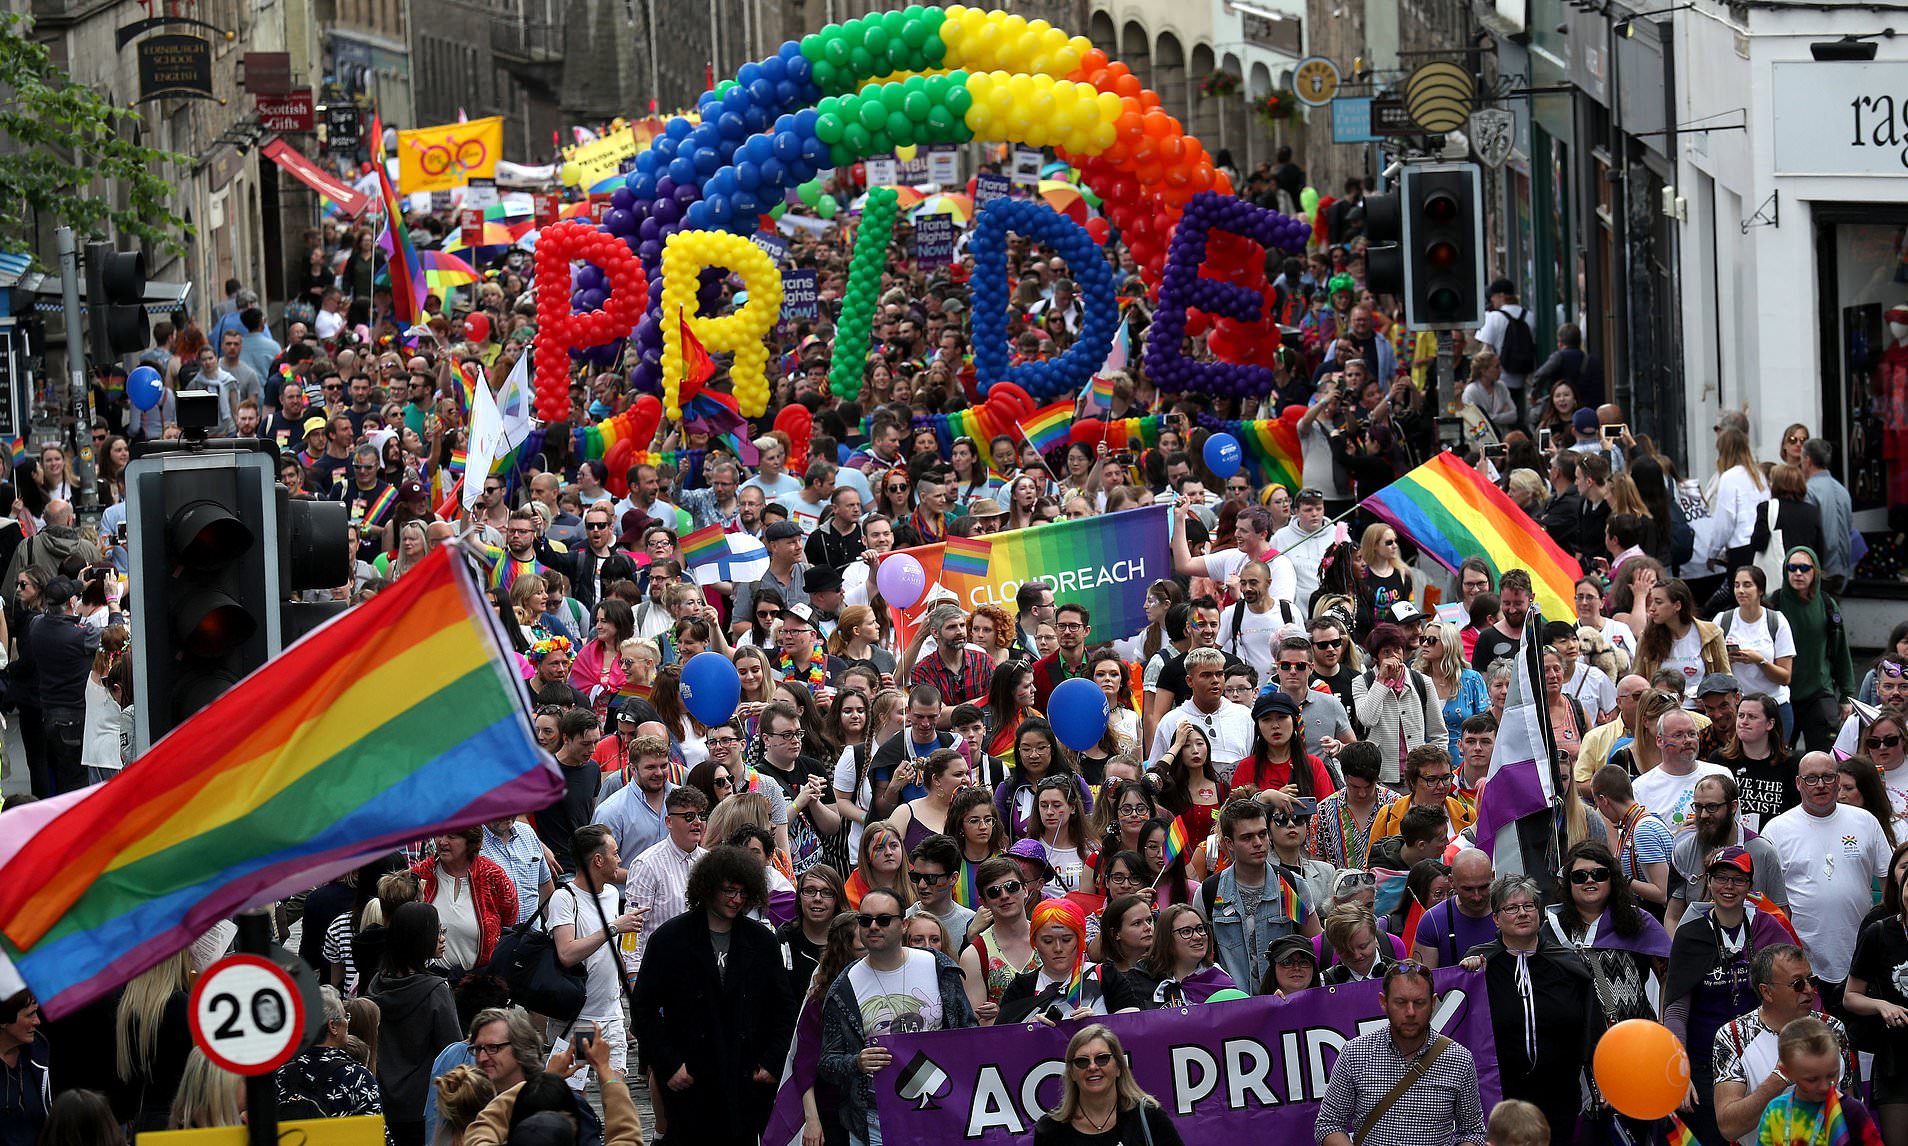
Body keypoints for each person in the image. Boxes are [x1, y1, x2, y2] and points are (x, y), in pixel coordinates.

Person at [635, 845, 796, 1146]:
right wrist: (668, 1064)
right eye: (728, 891)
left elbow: (783, 1008)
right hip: (690, 1080)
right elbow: (643, 1009)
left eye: (743, 892)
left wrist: (772, 1062)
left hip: (744, 1080)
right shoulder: (670, 939)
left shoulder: (761, 940)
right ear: (707, 888)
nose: (737, 899)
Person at [1666, 845, 1810, 1146]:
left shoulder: (1769, 927)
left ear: (1750, 886)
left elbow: (1797, 993)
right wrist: (1679, 1073)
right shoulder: (1690, 933)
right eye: (1720, 878)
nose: (1728, 887)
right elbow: (1676, 1009)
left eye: (1738, 879)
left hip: (1763, 1060)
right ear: (1708, 882)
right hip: (1705, 1062)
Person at [819, 886, 976, 1146]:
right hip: (876, 1118)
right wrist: (857, 1062)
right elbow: (827, 1063)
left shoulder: (938, 967)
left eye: (882, 919)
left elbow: (968, 1033)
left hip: (942, 1109)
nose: (873, 927)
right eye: (865, 920)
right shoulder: (844, 988)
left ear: (903, 925)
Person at [1452, 876, 1603, 1141]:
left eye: (1529, 906)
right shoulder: (1481, 964)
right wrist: (1466, 975)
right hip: (1500, 1094)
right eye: (1511, 908)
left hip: (1560, 1092)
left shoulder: (1566, 963)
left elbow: (1592, 1025)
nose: (1522, 913)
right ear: (1496, 918)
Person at [1765, 752, 1892, 1016]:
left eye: (1828, 777)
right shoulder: (1776, 830)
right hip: (1802, 963)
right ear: (1798, 783)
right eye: (1811, 779)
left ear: (1837, 780)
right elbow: (1766, 902)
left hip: (1860, 958)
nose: (1820, 784)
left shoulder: (1865, 821)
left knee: (1860, 1046)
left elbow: (1891, 881)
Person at [1314, 962, 1487, 1146]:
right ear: (1383, 1002)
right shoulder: (1355, 1054)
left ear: (1433, 1003)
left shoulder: (1459, 1060)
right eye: (1401, 1002)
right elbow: (1328, 1124)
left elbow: (1472, 1132)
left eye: (1419, 1002)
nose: (1410, 1012)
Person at [1715, 945, 1860, 1146]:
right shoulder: (1733, 1036)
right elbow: (1728, 1127)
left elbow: (1847, 1109)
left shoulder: (1833, 1029)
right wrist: (1780, 1076)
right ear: (1767, 992)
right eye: (1798, 984)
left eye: (1812, 981)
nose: (1810, 990)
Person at [366, 902, 461, 1146]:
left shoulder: (376, 983)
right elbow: (452, 1052)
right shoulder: (436, 990)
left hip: (382, 1097)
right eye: (437, 932)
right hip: (423, 1103)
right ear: (420, 939)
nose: (442, 938)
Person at [1201, 800, 1319, 992]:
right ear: (1230, 843)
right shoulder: (1209, 892)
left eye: (1262, 834)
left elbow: (1317, 946)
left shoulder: (1292, 885)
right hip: (1235, 1008)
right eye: (1247, 837)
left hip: (1286, 1004)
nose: (1258, 843)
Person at [1667, 774, 1789, 931]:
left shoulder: (1763, 852)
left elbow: (1781, 915)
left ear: (1733, 807)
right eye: (1698, 807)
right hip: (1698, 948)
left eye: (1712, 807)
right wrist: (1678, 952)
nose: (1703, 815)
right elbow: (1672, 917)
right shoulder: (1683, 851)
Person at [1033, 1024, 1185, 1146]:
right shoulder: (1050, 1129)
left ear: (1118, 1067)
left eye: (1102, 1058)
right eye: (1082, 1061)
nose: (1092, 1067)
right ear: (1071, 1073)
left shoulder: (1149, 1117)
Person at [998, 898, 1144, 1022]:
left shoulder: (1107, 976)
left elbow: (1135, 1028)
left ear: (1080, 940)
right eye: (1048, 941)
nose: (1058, 948)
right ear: (1034, 942)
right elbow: (1000, 1042)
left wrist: (1099, 1024)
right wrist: (1028, 1029)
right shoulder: (1020, 988)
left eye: (1066, 940)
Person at [1748, 1018, 1886, 1146]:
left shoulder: (1852, 1111)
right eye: (1812, 1079)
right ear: (1786, 1072)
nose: (1824, 1086)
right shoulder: (1776, 1111)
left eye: (1832, 1074)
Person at [1769, 547, 1852, 753]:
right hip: (1782, 695)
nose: (1798, 573)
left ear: (1815, 571)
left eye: (1805, 568)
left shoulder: (1827, 604)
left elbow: (1841, 650)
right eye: (1792, 567)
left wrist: (1847, 694)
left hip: (1819, 691)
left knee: (1823, 756)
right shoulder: (1773, 604)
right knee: (1779, 756)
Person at [411, 826, 518, 976]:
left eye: (452, 836)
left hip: (478, 982)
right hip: (429, 980)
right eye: (439, 834)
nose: (442, 842)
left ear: (470, 841)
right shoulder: (420, 875)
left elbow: (508, 924)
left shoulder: (494, 877)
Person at [1353, 624, 1447, 788]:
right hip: (1380, 779)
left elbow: (1439, 733)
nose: (1394, 657)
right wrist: (1381, 682)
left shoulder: (1422, 682)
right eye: (1386, 652)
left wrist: (1432, 770)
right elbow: (1367, 719)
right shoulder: (1362, 682)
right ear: (1376, 657)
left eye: (1397, 650)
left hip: (1418, 778)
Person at [274, 986, 383, 1126]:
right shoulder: (356, 1077)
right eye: (345, 1016)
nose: (347, 1021)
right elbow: (376, 1135)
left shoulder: (281, 1075)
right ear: (333, 1026)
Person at [1411, 850, 1499, 968]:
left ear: (1493, 878)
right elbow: (1424, 981)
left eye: (1483, 887)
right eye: (1468, 889)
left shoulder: (1511, 913)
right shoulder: (1433, 921)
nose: (1477, 897)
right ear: (1452, 881)